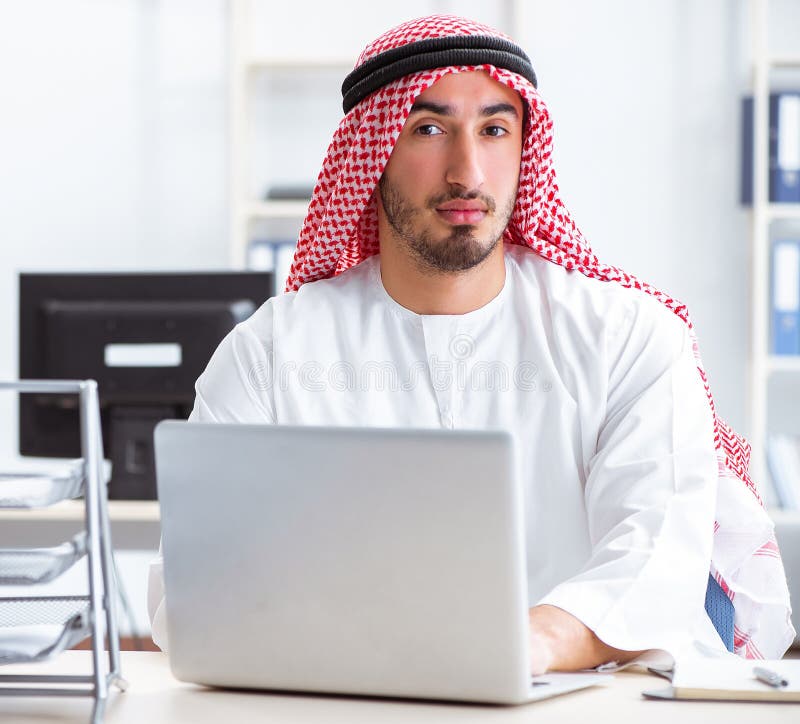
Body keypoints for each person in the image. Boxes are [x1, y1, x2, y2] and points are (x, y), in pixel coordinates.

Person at [148, 15, 794, 670]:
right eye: (429, 128)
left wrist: (514, 650)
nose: (468, 170)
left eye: (494, 130)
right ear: (373, 154)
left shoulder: (629, 338)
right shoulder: (270, 353)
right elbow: (196, 587)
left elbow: (657, 563)